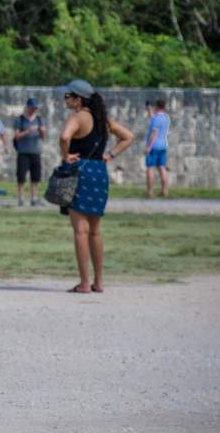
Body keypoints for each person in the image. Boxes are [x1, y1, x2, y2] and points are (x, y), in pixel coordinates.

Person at [56, 79, 135, 294]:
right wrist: (110, 155)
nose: (65, 99)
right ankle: (98, 282)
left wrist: (65, 155)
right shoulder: (102, 119)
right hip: (99, 171)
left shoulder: (78, 117)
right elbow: (128, 137)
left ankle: (84, 283)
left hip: (79, 170)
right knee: (95, 231)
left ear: (77, 98)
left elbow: (64, 137)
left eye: (68, 96)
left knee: (80, 230)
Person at [13, 98, 47, 206]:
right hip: (23, 152)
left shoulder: (40, 120)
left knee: (35, 177)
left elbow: (43, 137)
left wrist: (42, 131)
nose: (34, 110)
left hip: (36, 152)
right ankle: (21, 198)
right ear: (27, 107)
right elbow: (17, 136)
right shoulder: (20, 120)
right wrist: (28, 131)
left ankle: (34, 198)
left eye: (35, 108)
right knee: (21, 176)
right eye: (32, 108)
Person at [145, 99, 171, 197]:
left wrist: (148, 147)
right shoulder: (165, 117)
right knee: (162, 168)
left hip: (154, 146)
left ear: (157, 106)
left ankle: (150, 192)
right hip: (163, 145)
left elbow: (154, 133)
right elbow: (153, 118)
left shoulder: (156, 119)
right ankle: (165, 191)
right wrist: (149, 109)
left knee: (150, 168)